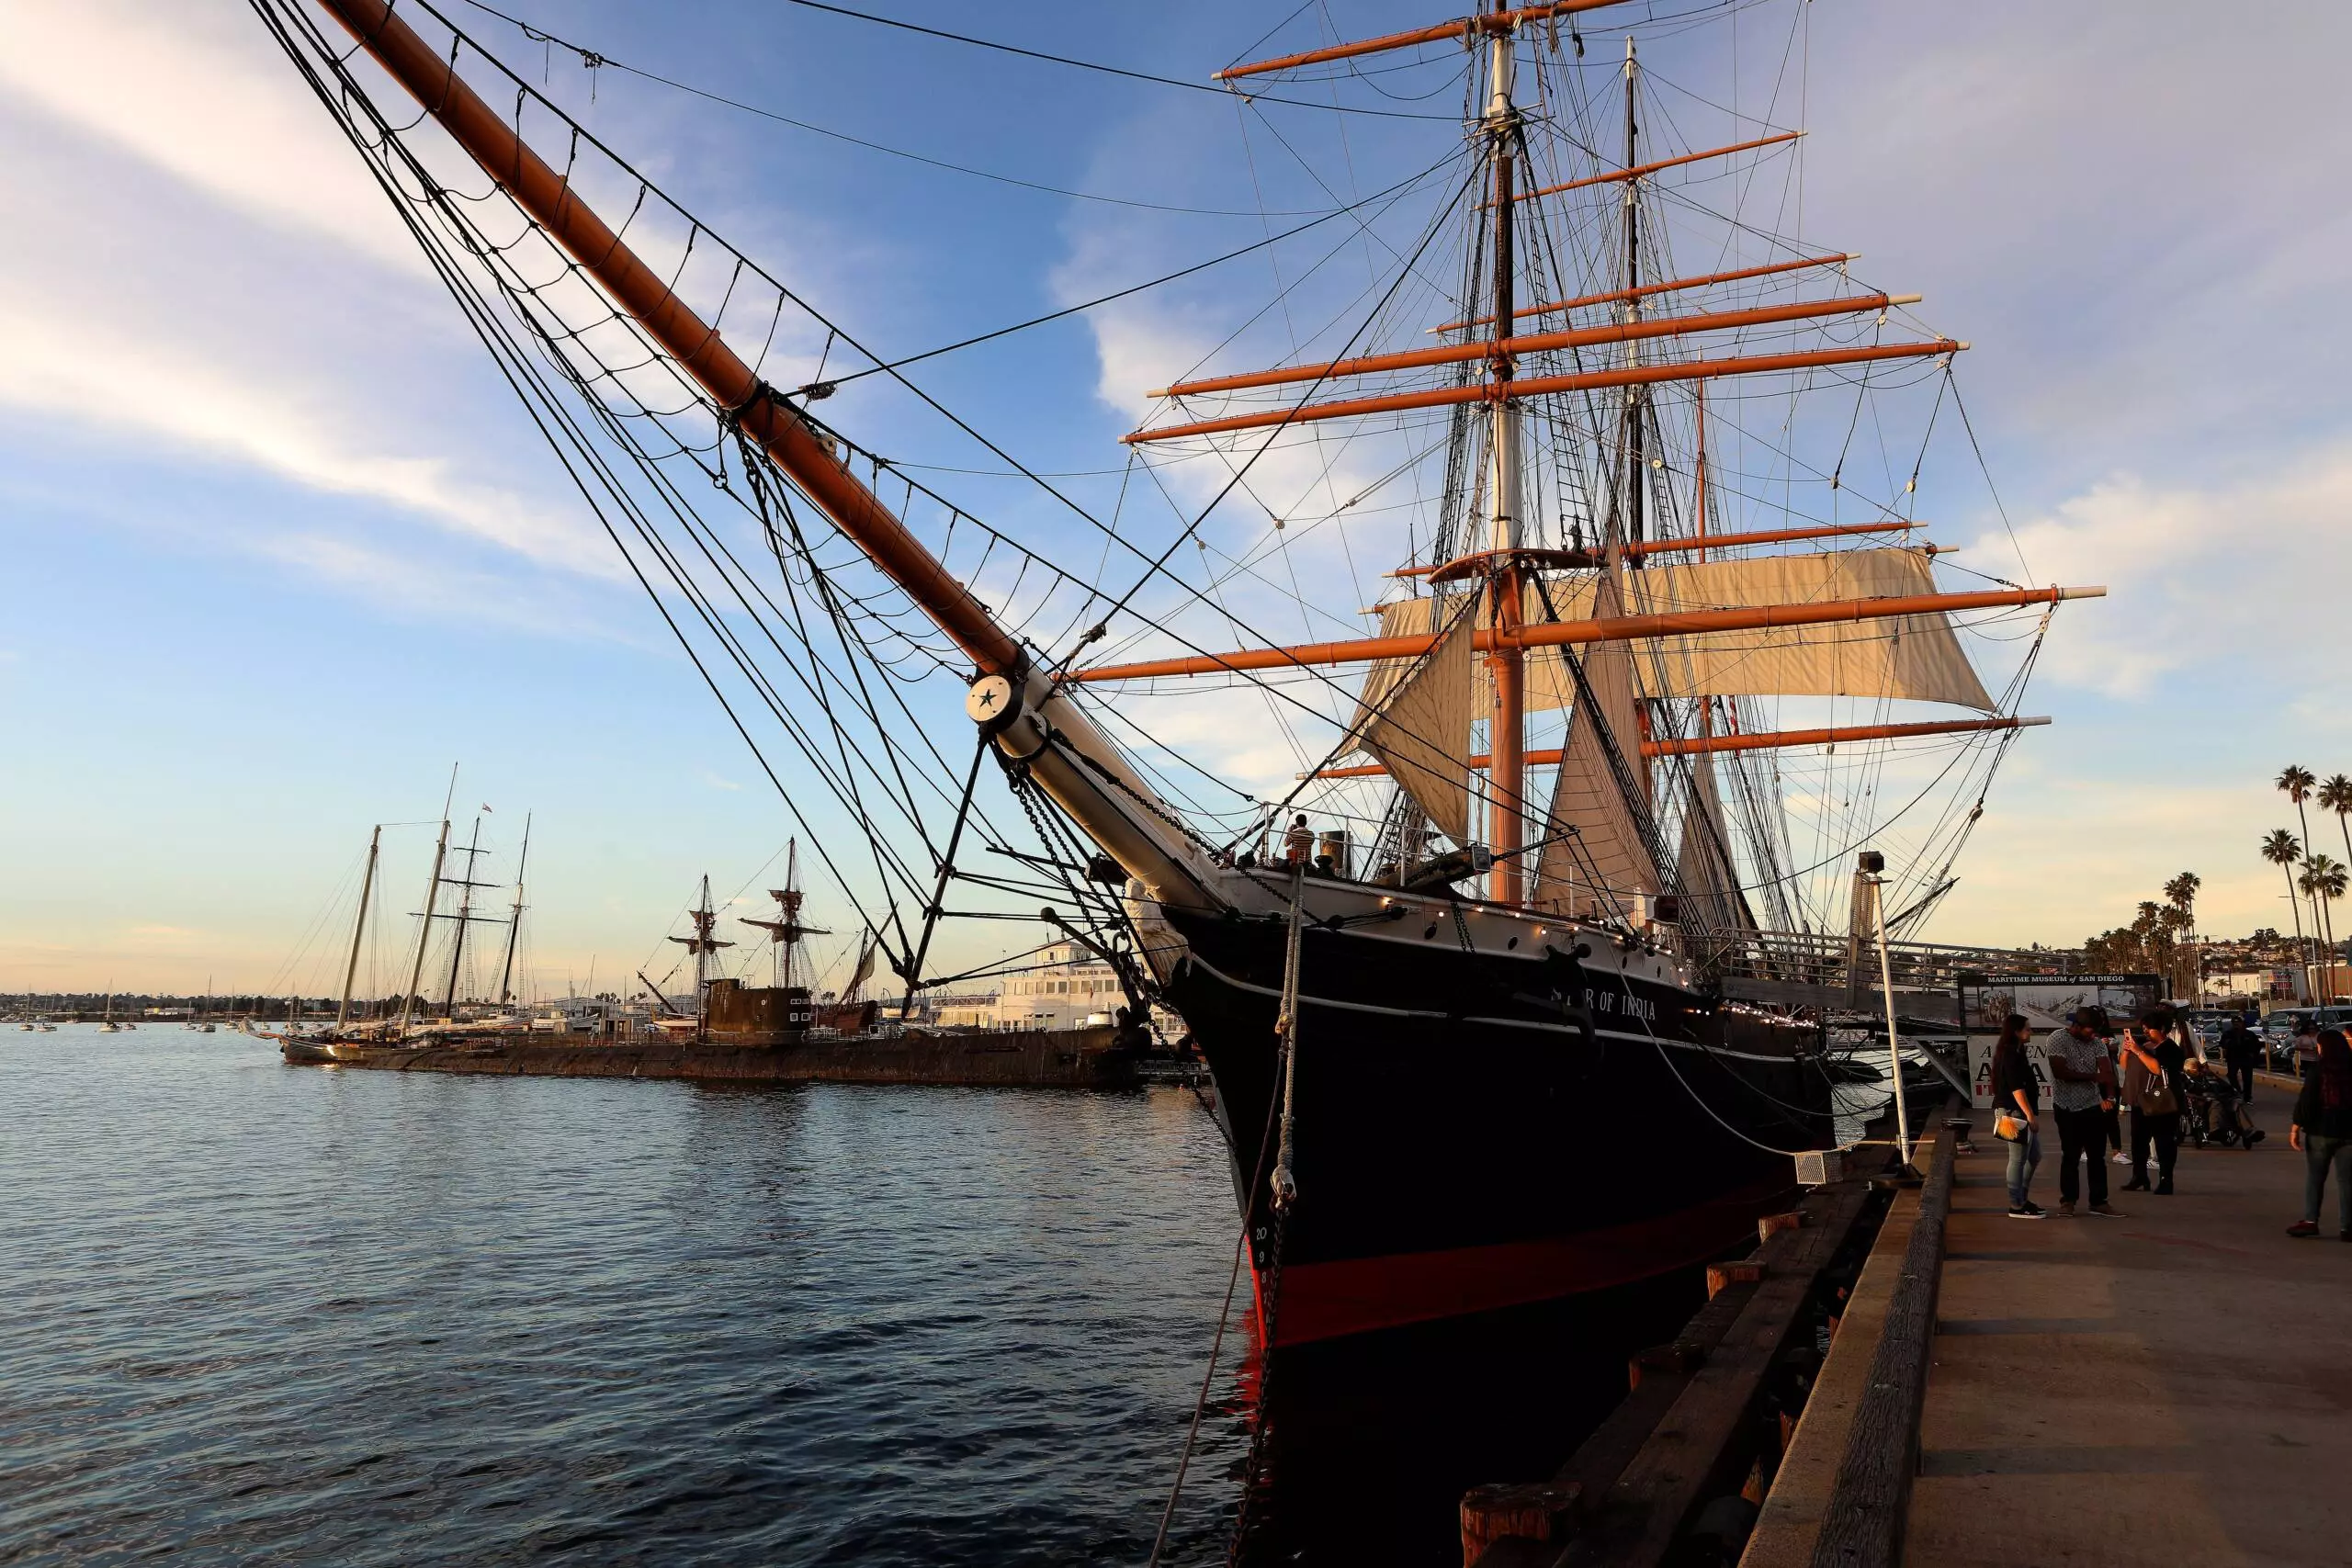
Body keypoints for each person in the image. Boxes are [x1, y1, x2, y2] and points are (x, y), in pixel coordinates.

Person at [2044, 1006, 2125, 1217]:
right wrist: (2092, 1077)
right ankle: (2068, 1201)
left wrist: (2109, 1096)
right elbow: (2060, 1072)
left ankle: (2098, 1201)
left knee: (2097, 1156)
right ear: (2077, 1027)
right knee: (2070, 1155)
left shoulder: (2097, 1043)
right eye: (2089, 1031)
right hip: (2066, 1106)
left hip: (2092, 1105)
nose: (2093, 1035)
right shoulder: (2058, 1039)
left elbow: (2107, 1072)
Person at [2288, 1029, 2352, 1239]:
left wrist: (2296, 1127)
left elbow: (2307, 1101)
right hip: (2349, 1132)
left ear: (2323, 1047)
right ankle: (2347, 1227)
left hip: (2320, 1131)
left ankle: (2310, 1220)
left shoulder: (2317, 1070)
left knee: (2316, 1177)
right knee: (2347, 1181)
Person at [2120, 1007, 2188, 1195]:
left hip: (2161, 1103)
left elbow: (2159, 1069)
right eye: (2144, 1029)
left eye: (2150, 1029)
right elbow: (2125, 1066)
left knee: (2164, 1141)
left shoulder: (2170, 1049)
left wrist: (2139, 1052)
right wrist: (2128, 1050)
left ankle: (2166, 1179)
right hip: (2140, 1101)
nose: (2146, 1033)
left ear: (2163, 1029)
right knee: (2138, 1141)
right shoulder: (2143, 1045)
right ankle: (2139, 1176)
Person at [1990, 1013, 2044, 1217]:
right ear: (2016, 1031)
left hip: (2016, 1110)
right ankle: (2016, 1204)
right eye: (2027, 1029)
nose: (2031, 1032)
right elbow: (2015, 1088)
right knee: (2017, 1159)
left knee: (2034, 1156)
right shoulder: (2011, 1054)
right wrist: (2030, 1115)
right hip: (2011, 1111)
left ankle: (2022, 1197)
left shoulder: (2017, 1052)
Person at [2219, 1011, 2261, 1105]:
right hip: (2233, 1058)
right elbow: (2222, 1043)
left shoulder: (2249, 1034)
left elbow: (2257, 1046)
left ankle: (2247, 1098)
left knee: (2247, 1079)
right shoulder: (2228, 1034)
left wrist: (2253, 1056)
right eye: (2234, 1022)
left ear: (2243, 1023)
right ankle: (2237, 1092)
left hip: (2246, 1058)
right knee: (2231, 1075)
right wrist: (2229, 1044)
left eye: (2238, 1022)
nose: (2236, 1024)